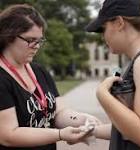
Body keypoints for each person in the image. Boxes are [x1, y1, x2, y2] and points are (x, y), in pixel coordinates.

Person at [0, 4, 100, 150]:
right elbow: (8, 135)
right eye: (30, 40)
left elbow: (59, 112)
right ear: (8, 37)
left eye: (39, 40)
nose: (36, 46)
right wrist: (59, 134)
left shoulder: (39, 71)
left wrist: (82, 119)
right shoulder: (2, 79)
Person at [85, 0, 140, 149]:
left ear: (119, 23)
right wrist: (91, 131)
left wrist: (103, 94)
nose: (103, 36)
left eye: (103, 29)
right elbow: (129, 129)